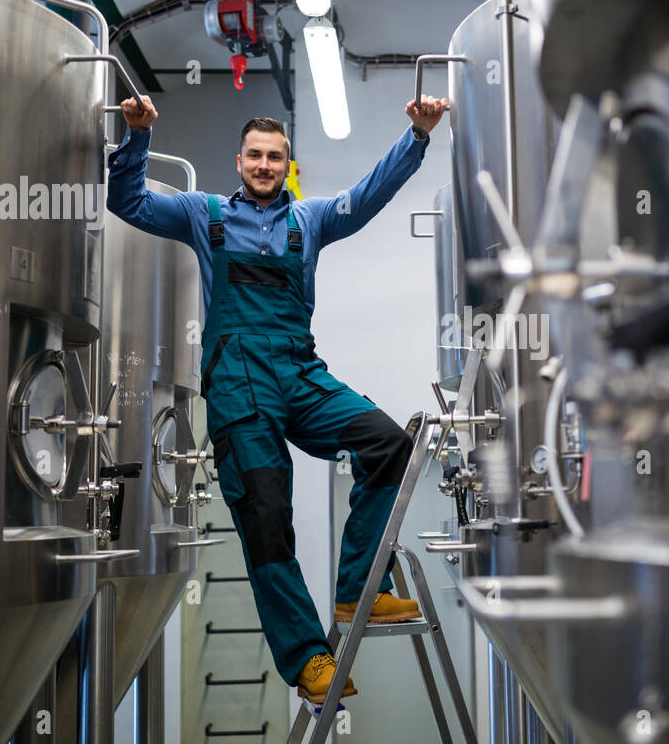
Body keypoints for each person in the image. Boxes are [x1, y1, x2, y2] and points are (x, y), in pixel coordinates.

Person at [106, 92, 450, 705]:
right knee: (268, 518)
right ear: (239, 162)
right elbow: (127, 201)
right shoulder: (202, 213)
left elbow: (369, 194)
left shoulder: (308, 221)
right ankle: (309, 658)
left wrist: (417, 137)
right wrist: (136, 138)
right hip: (238, 380)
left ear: (286, 166)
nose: (265, 165)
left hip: (298, 369)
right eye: (255, 156)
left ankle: (356, 592)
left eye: (276, 157)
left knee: (388, 444)